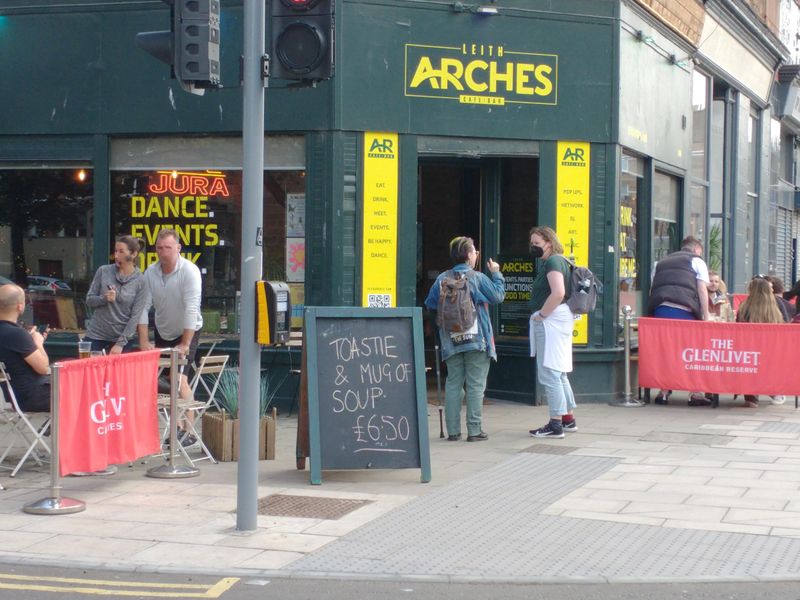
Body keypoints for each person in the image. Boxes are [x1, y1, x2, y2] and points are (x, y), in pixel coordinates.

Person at [424, 236, 504, 442]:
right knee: (476, 385)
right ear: (469, 255)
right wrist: (496, 274)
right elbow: (497, 296)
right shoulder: (477, 277)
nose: (476, 254)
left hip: (451, 339)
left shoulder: (442, 279)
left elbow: (430, 305)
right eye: (474, 251)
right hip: (477, 339)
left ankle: (453, 431)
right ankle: (475, 430)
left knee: (453, 384)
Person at [137, 229, 203, 445]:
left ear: (178, 248)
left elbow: (192, 308)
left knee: (180, 378)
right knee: (166, 381)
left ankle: (189, 431)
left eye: (167, 247)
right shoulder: (150, 272)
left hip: (188, 330)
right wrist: (144, 341)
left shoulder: (189, 271)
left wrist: (185, 343)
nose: (163, 252)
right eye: (159, 248)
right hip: (163, 329)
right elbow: (143, 307)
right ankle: (175, 428)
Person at [527, 226, 578, 439]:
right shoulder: (558, 260)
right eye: (532, 243)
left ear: (549, 242)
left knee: (549, 372)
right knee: (559, 371)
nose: (533, 247)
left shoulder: (553, 262)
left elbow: (558, 293)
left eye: (537, 243)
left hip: (551, 322)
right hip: (559, 320)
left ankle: (556, 423)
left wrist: (542, 315)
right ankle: (568, 419)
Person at [647, 236, 710, 406]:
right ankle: (695, 393)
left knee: (666, 351)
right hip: (684, 309)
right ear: (697, 250)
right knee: (692, 351)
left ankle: (663, 392)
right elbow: (702, 290)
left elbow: (653, 288)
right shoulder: (696, 261)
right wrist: (706, 316)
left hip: (661, 309)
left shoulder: (660, 263)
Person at [84, 235, 148, 354]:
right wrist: (104, 298)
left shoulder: (141, 281)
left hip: (121, 338)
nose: (116, 255)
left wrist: (120, 344)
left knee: (117, 372)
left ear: (133, 254)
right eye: (115, 251)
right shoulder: (103, 271)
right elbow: (89, 300)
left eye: (121, 251)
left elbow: (135, 317)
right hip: (96, 335)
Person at [0, 284, 51, 412]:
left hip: (12, 395)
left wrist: (29, 342)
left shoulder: (13, 333)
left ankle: (53, 429)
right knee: (83, 391)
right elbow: (44, 369)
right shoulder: (16, 334)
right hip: (33, 396)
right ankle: (58, 430)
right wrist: (38, 343)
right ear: (20, 306)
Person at [736, 277, 784, 407]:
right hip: (771, 347)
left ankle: (751, 398)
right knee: (768, 367)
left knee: (749, 368)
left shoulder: (744, 306)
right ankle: (775, 392)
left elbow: (738, 325)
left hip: (748, 346)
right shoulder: (776, 306)